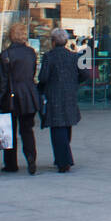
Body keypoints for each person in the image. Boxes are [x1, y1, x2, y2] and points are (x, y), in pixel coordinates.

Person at [0, 22, 42, 174]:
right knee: (27, 130)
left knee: (9, 132)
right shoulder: (31, 53)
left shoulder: (6, 54)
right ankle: (31, 158)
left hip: (11, 96)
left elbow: (2, 81)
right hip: (28, 94)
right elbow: (33, 73)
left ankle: (11, 164)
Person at [37, 27, 83, 172]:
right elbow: (85, 74)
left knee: (57, 129)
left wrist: (41, 88)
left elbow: (43, 77)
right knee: (66, 126)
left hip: (54, 95)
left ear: (53, 42)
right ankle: (63, 158)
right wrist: (75, 83)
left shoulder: (49, 57)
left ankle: (63, 161)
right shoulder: (73, 56)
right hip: (69, 95)